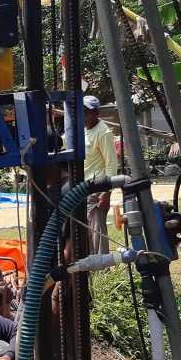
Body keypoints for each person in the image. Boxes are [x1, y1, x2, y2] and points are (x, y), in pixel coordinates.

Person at [82, 95, 118, 255]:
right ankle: (91, 268)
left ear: (95, 113)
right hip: (83, 188)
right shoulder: (83, 131)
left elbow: (111, 163)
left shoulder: (103, 132)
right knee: (86, 232)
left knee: (97, 231)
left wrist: (106, 192)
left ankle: (102, 268)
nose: (83, 116)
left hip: (97, 189)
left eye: (86, 112)